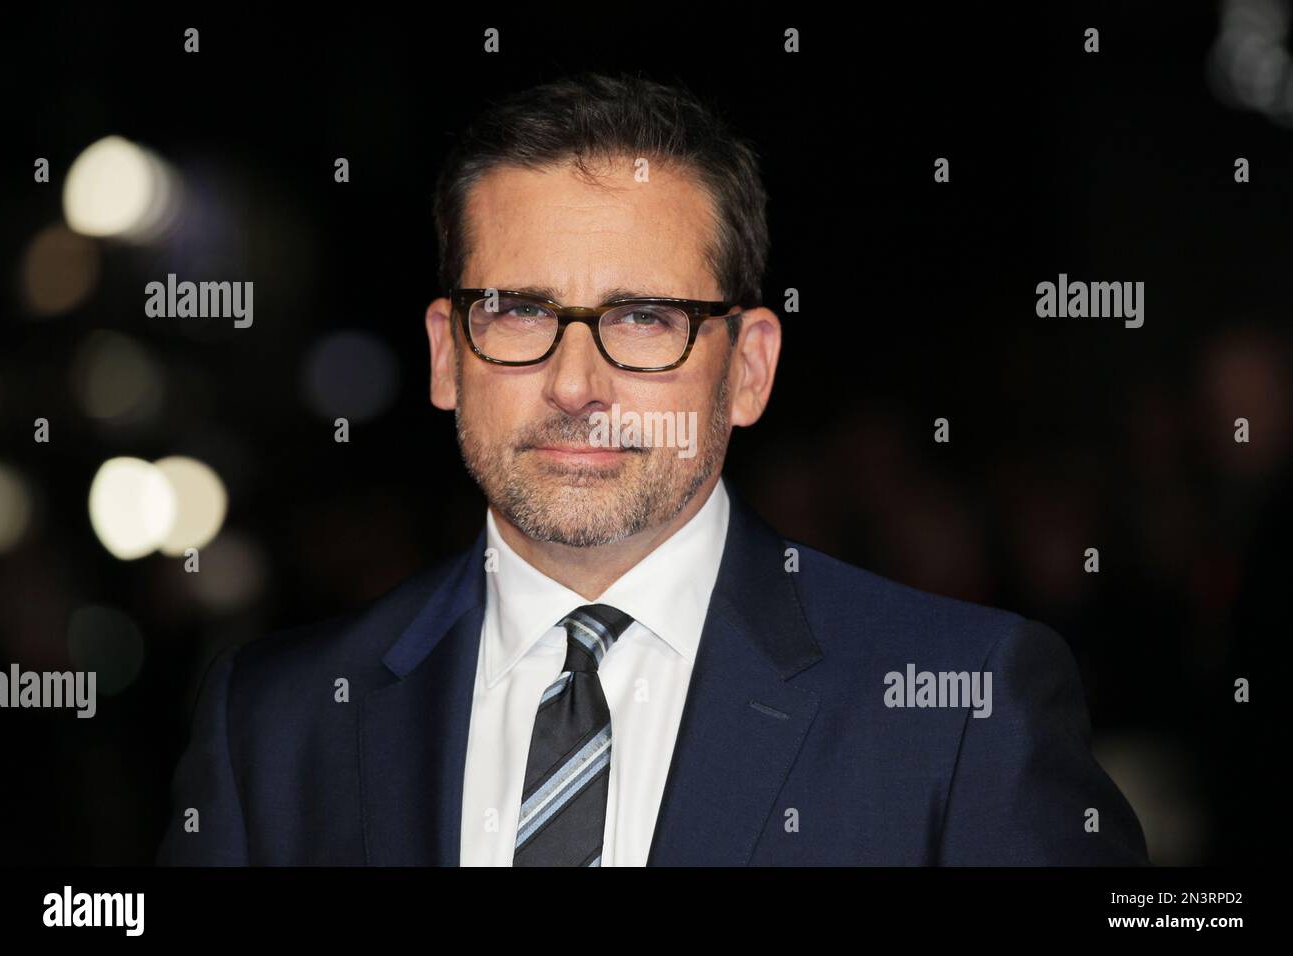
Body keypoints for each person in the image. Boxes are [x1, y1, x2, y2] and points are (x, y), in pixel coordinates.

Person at [156, 72, 1149, 867]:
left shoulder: (959, 708)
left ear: (748, 368)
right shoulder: (275, 722)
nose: (574, 381)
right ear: (446, 354)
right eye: (518, 312)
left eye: (643, 318)